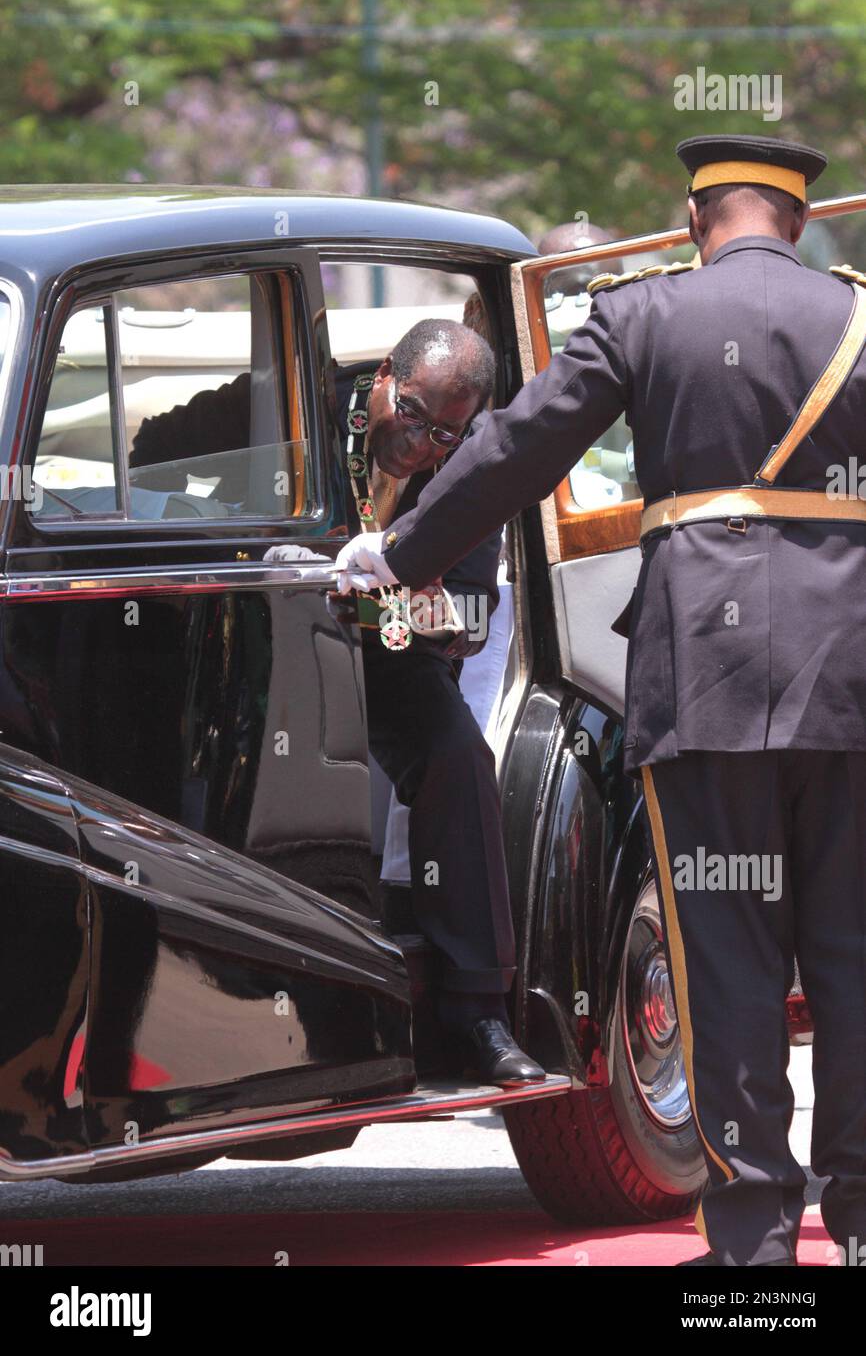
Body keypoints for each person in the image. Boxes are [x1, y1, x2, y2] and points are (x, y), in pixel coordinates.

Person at [336, 134, 866, 1266]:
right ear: (799, 220)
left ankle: (754, 1246)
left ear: (690, 218)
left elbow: (518, 450)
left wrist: (404, 552)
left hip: (708, 687)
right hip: (847, 685)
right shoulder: (858, 316)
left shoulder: (640, 316)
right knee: (849, 951)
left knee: (722, 960)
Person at [128, 317, 546, 1087]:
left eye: (444, 437)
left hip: (386, 645)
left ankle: (479, 1011)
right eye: (413, 416)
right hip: (264, 628)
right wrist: (238, 536)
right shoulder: (298, 401)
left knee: (458, 756)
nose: (420, 446)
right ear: (386, 374)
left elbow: (466, 619)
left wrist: (359, 599)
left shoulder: (470, 464)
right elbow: (154, 448)